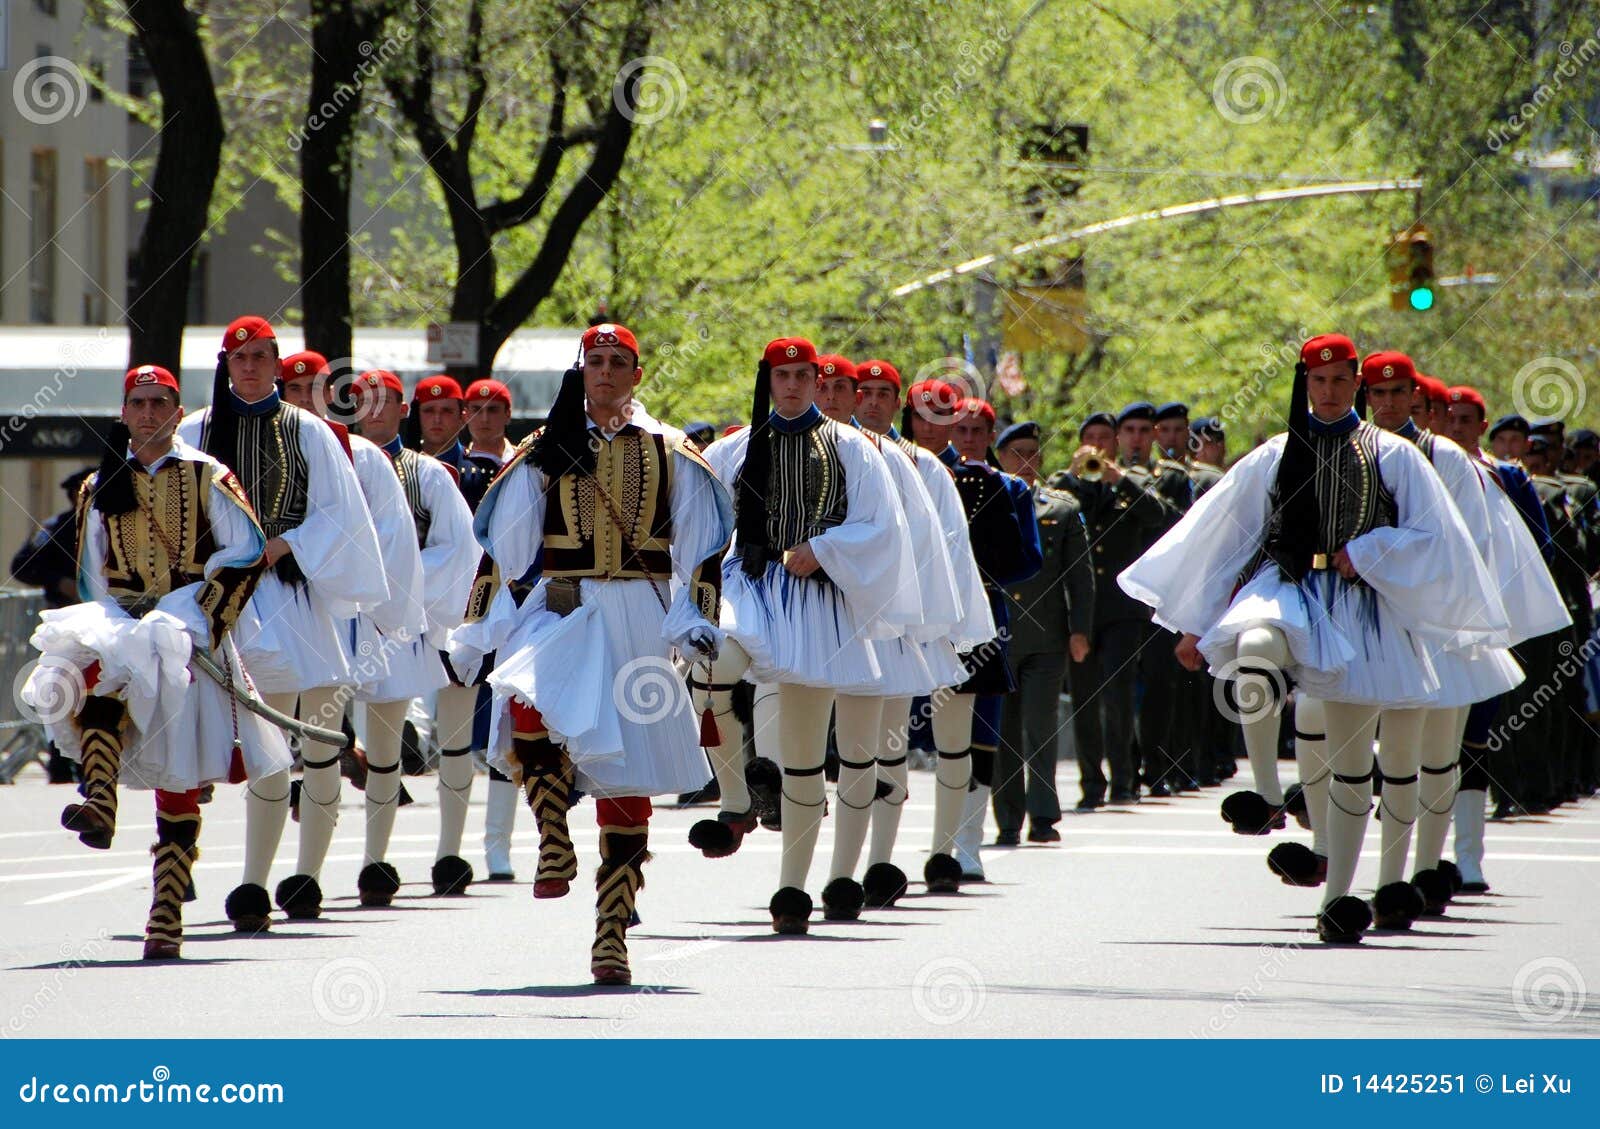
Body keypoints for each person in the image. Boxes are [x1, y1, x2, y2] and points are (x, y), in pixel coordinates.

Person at [1120, 333, 1503, 943]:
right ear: (1305, 383)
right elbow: (1229, 536)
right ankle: (1268, 792)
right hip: (1288, 584)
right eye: (1317, 381)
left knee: (1354, 764)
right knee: (1253, 651)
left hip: (1361, 603)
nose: (1328, 392)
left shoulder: (1392, 455)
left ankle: (1339, 898)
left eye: (1339, 381)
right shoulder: (1276, 454)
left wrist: (1370, 549)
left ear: (1357, 385)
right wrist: (1196, 622)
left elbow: (1437, 538)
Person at [463, 322, 733, 983]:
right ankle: (552, 831)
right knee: (526, 694)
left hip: (641, 611)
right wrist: (479, 624)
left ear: (638, 373)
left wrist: (695, 618)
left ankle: (611, 930)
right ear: (579, 371)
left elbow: (700, 546)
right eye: (594, 361)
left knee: (625, 774)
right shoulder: (546, 445)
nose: (605, 372)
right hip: (564, 603)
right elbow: (506, 547)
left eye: (618, 362)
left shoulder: (672, 451)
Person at [23, 364, 291, 958]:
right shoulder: (100, 484)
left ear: (177, 411)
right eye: (138, 403)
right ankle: (99, 799)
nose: (148, 413)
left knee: (180, 774)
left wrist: (204, 622)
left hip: (190, 626)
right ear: (123, 412)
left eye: (160, 403)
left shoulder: (210, 475)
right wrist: (107, 626)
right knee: (87, 682)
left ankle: (165, 914)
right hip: (124, 622)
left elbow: (246, 555)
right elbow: (92, 569)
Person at [693, 337, 917, 932]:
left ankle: (798, 889)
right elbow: (698, 525)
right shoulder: (733, 449)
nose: (790, 386)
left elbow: (880, 527)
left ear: (817, 380)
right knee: (709, 669)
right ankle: (736, 798)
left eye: (801, 375)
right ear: (767, 379)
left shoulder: (851, 448)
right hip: (749, 591)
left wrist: (822, 549)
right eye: (780, 375)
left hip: (820, 607)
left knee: (805, 758)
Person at [178, 316, 388, 930]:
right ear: (225, 362)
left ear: (276, 362)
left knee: (317, 744)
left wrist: (286, 542)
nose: (249, 365)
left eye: (261, 355)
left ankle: (306, 879)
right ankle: (244, 882)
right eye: (238, 356)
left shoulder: (308, 431)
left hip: (295, 598)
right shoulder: (196, 430)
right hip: (220, 605)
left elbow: (341, 513)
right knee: (247, 746)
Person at [854, 364, 995, 906]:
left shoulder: (973, 477)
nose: (937, 427)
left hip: (949, 620)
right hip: (883, 624)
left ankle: (947, 852)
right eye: (926, 415)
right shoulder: (855, 457)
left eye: (947, 416)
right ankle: (875, 862)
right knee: (882, 747)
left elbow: (990, 554)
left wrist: (962, 621)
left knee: (956, 744)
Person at [344, 370, 478, 904]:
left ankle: (449, 853)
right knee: (378, 750)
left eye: (386, 402)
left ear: (404, 410)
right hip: (354, 621)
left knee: (454, 738)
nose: (374, 410)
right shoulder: (339, 467)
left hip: (425, 620)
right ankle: (375, 862)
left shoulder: (428, 474)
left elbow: (457, 548)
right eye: (363, 401)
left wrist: (402, 593)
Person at [1048, 410, 1170, 807]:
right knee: (1084, 700)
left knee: (1117, 696)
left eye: (1105, 438)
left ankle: (1123, 780)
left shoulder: (1134, 484)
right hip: (1080, 612)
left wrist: (1118, 478)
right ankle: (1091, 784)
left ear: (1116, 443)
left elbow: (1158, 515)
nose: (1098, 446)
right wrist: (1072, 473)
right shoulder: (1066, 487)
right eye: (1091, 439)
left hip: (1121, 610)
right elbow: (1050, 509)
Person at [994, 420, 1093, 844]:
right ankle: (1008, 820)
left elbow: (1080, 576)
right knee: (1003, 734)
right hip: (996, 638)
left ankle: (1044, 816)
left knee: (1040, 726)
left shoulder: (1062, 508)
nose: (1026, 462)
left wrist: (1079, 630)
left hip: (1047, 638)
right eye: (1017, 453)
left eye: (1033, 453)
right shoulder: (987, 503)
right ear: (1000, 457)